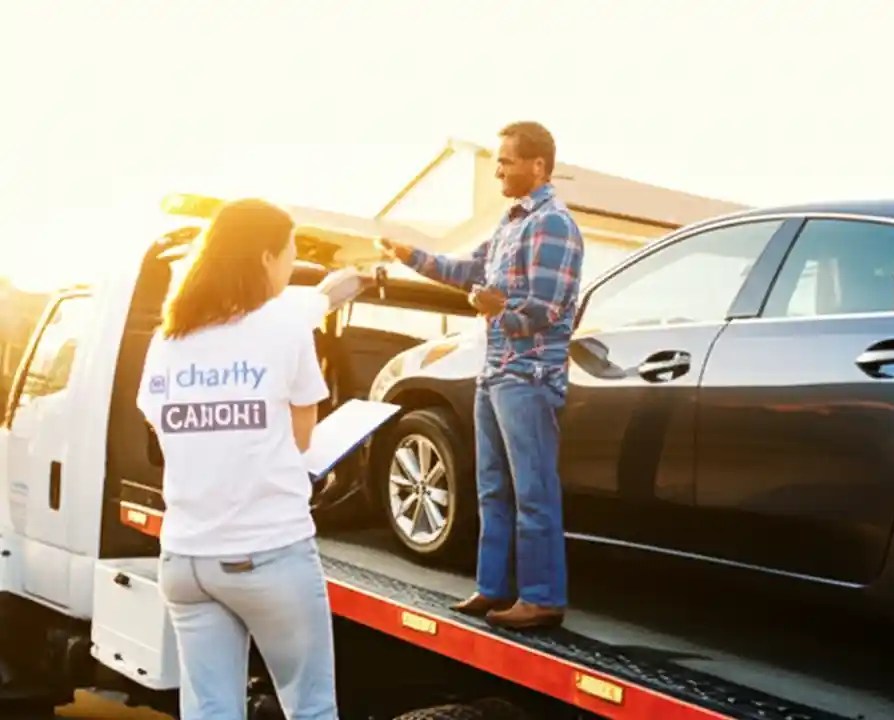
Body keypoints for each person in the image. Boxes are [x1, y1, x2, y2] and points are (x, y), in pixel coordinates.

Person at [136, 198, 369, 719]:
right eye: (289, 253)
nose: (290, 265)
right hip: (266, 553)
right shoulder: (283, 327)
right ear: (266, 257)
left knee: (210, 712)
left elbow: (164, 426)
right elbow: (301, 436)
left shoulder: (168, 338)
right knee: (310, 710)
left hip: (185, 559)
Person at [380, 121, 584, 630]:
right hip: (493, 374)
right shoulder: (510, 224)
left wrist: (497, 310)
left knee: (533, 490)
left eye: (506, 161)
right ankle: (493, 589)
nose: (497, 171)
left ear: (537, 165)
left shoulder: (553, 224)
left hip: (528, 376)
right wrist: (411, 257)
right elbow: (467, 271)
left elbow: (547, 309)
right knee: (491, 486)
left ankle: (541, 599)